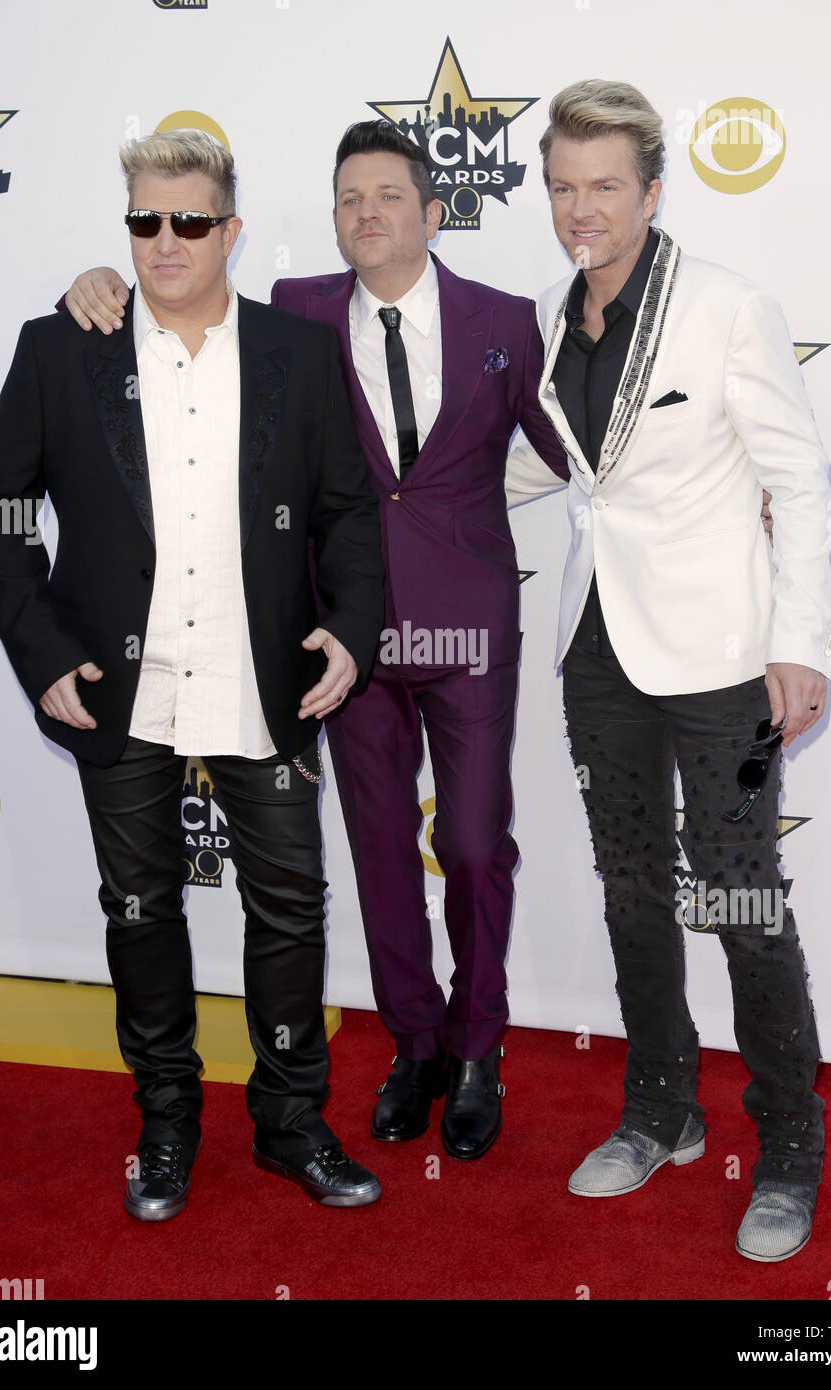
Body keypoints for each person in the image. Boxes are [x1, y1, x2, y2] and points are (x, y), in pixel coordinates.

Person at [61, 120, 570, 1161]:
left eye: (389, 195)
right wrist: (100, 279)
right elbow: (173, 285)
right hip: (340, 637)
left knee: (472, 845)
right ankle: (414, 1044)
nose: (367, 212)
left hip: (468, 625)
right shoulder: (291, 315)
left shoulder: (507, 321)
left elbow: (574, 453)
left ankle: (479, 1050)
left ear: (434, 213)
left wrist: (476, 506)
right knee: (380, 851)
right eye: (348, 198)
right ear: (332, 219)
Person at [0, 129, 386, 1221]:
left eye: (189, 221)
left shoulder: (296, 353)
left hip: (268, 681)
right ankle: (166, 1123)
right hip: (119, 684)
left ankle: (291, 1121)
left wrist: (349, 626)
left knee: (290, 910)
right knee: (142, 909)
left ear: (230, 231)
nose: (164, 242)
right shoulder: (63, 348)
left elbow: (345, 511)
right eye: (144, 221)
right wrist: (42, 649)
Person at [505, 80, 831, 1261]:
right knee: (632, 888)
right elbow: (542, 473)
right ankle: (662, 1107)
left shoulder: (725, 308)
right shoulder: (548, 319)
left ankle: (790, 1139)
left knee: (742, 898)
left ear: (651, 189)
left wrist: (800, 643)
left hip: (721, 658)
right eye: (561, 188)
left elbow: (796, 482)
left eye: (604, 187)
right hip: (596, 648)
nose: (580, 210)